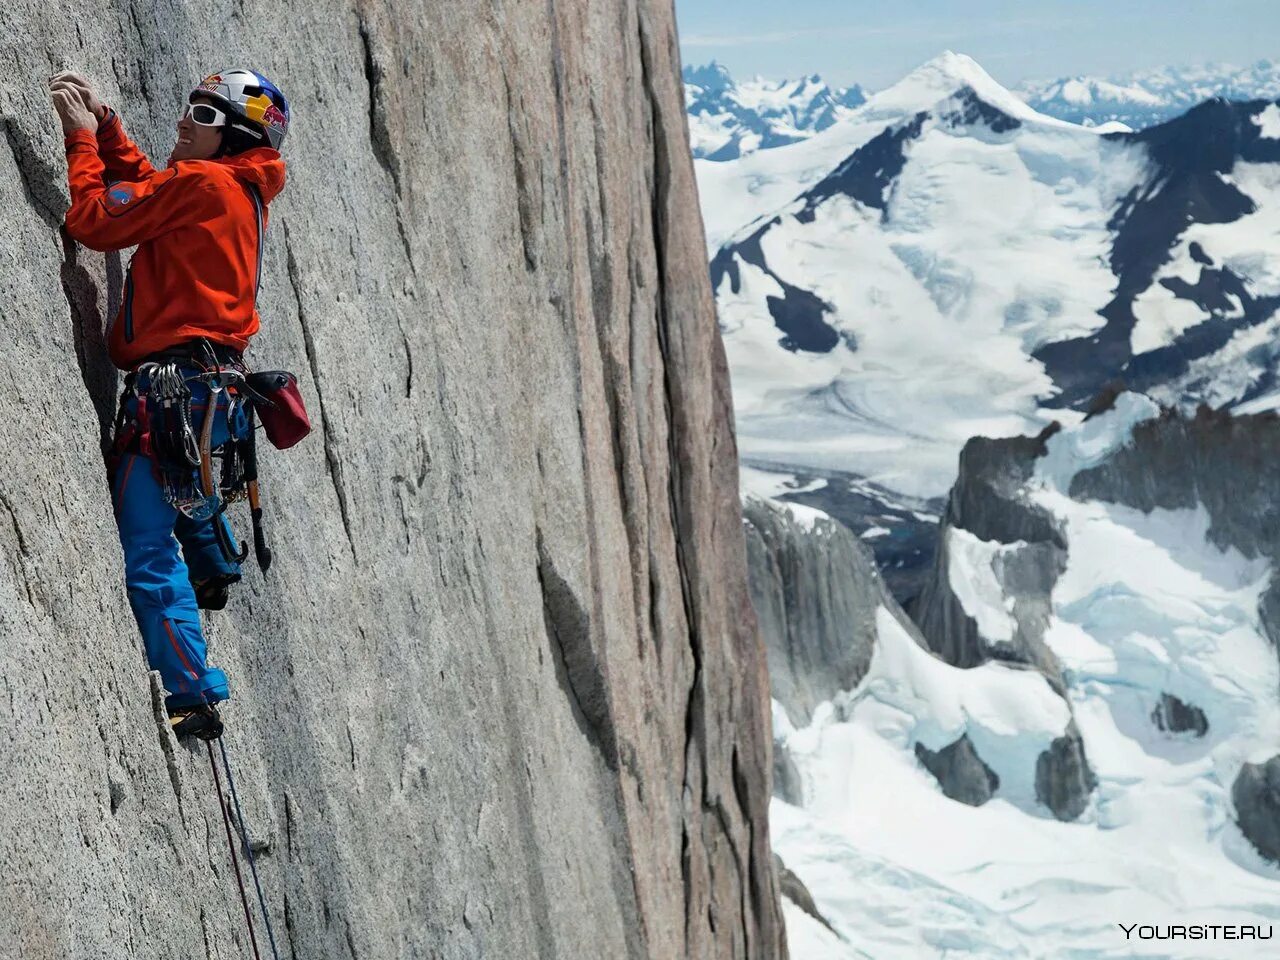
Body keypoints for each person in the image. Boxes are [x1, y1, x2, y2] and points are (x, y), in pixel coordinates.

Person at [49, 70, 290, 740]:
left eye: (203, 114)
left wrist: (80, 141)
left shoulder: (205, 184)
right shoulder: (235, 190)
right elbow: (154, 195)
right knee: (178, 499)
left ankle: (194, 689)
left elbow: (96, 221)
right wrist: (111, 131)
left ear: (233, 135)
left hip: (171, 395)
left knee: (148, 549)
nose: (186, 119)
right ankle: (210, 559)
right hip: (209, 394)